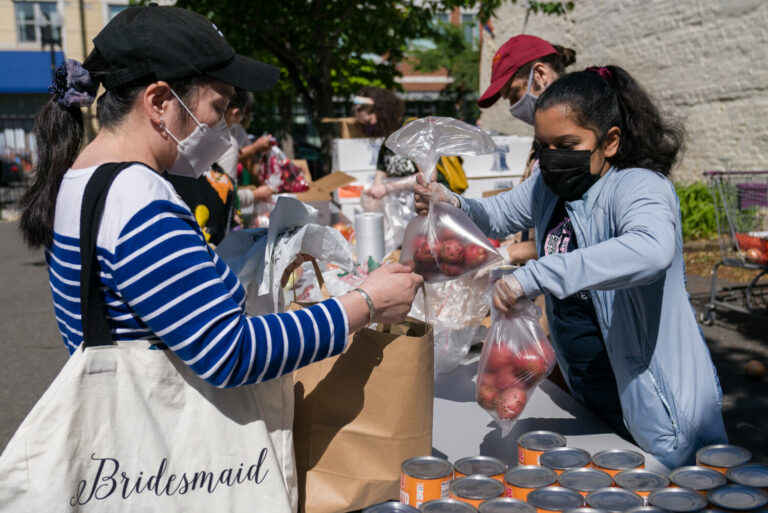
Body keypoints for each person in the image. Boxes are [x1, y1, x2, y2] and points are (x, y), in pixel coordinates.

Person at [18, 5, 420, 391]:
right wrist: (364, 303)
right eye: (219, 106)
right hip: (166, 450)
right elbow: (231, 352)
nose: (223, 127)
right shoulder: (139, 199)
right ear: (159, 103)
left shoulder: (81, 178)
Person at [415, 65, 727, 467]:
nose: (551, 158)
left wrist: (534, 276)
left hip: (655, 403)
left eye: (566, 144)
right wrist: (452, 203)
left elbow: (650, 250)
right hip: (587, 387)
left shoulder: (639, 186)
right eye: (543, 146)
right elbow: (496, 215)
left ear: (609, 141)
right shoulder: (547, 185)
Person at [478, 34, 577, 265]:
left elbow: (580, 230)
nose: (513, 108)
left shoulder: (577, 137)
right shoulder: (543, 139)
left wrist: (516, 253)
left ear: (540, 75)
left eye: (514, 94)